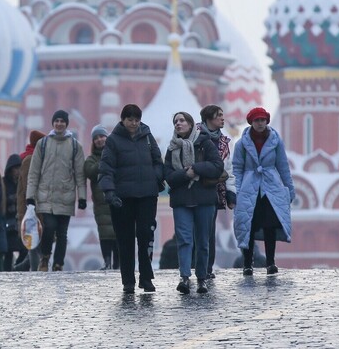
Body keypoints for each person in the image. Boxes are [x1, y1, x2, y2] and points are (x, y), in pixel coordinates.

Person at [98, 104, 164, 293]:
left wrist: (156, 178)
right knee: (125, 240)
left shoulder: (148, 137)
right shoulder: (113, 141)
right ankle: (128, 281)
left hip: (147, 195)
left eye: (136, 120)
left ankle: (146, 278)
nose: (134, 123)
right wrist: (109, 192)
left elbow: (157, 161)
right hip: (122, 198)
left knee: (146, 236)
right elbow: (106, 168)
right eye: (130, 120)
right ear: (123, 120)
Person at [164, 111, 224, 294]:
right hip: (182, 200)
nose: (178, 124)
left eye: (182, 120)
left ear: (191, 124)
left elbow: (217, 166)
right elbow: (168, 176)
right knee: (184, 239)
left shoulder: (204, 143)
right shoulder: (172, 147)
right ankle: (184, 277)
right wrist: (186, 174)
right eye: (175, 121)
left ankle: (201, 278)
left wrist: (196, 168)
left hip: (204, 199)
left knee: (203, 240)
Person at [232, 107, 295, 276]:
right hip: (249, 187)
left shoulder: (275, 141)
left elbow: (283, 166)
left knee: (270, 226)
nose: (260, 123)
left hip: (270, 187)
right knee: (248, 226)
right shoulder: (242, 144)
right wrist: (237, 189)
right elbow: (237, 168)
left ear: (266, 121)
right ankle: (247, 264)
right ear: (251, 122)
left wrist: (289, 188)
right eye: (256, 120)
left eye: (262, 120)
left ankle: (270, 263)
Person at [26, 110, 85, 271]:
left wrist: (83, 197)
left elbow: (80, 174)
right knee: (49, 227)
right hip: (46, 195)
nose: (59, 123)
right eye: (57, 121)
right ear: (53, 123)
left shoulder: (74, 146)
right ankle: (45, 258)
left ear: (67, 124)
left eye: (62, 121)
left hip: (66, 196)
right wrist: (30, 196)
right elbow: (34, 172)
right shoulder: (43, 144)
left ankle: (58, 263)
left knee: (62, 233)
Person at [196, 104, 237, 279]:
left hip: (214, 191)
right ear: (209, 118)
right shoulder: (194, 136)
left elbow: (228, 169)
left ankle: (207, 268)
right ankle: (193, 266)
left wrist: (230, 194)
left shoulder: (224, 142)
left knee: (209, 230)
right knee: (193, 231)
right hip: (195, 189)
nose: (222, 118)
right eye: (219, 115)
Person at [84, 124, 119, 270]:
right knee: (104, 233)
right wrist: (105, 159)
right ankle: (107, 261)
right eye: (96, 138)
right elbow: (90, 171)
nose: (99, 140)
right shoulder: (91, 159)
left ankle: (118, 263)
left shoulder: (117, 154)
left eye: (102, 136)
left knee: (118, 232)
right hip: (101, 202)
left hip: (117, 198)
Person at [16, 130, 45, 271]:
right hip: (31, 207)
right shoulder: (30, 160)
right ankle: (35, 273)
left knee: (36, 242)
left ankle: (23, 267)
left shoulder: (35, 158)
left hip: (36, 206)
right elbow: (29, 186)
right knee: (34, 243)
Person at [2, 154, 26, 271]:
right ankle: (8, 273)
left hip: (21, 223)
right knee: (8, 252)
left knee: (24, 251)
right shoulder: (4, 184)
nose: (17, 171)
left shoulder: (22, 184)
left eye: (19, 168)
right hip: (8, 223)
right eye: (15, 169)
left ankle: (17, 270)